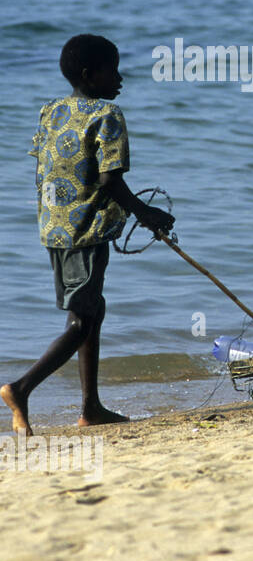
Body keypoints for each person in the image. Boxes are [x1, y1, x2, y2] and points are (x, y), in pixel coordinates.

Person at [3, 35, 175, 435]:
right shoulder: (107, 114)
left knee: (93, 309)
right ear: (89, 75)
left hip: (54, 227)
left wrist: (55, 215)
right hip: (86, 231)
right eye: (111, 70)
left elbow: (41, 168)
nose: (120, 78)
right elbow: (109, 180)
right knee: (82, 320)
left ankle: (91, 407)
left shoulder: (50, 111)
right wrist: (146, 213)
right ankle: (20, 389)